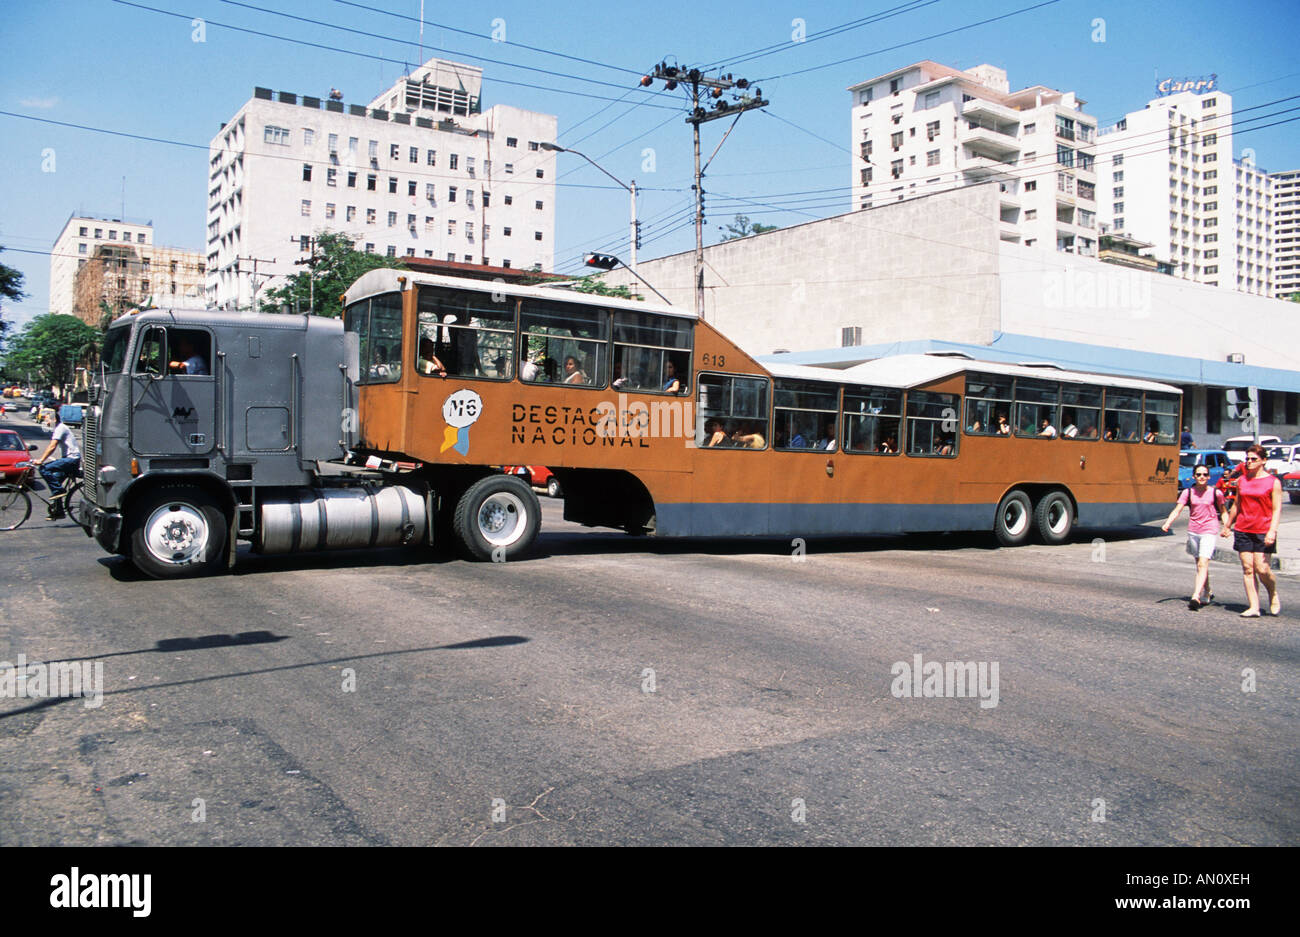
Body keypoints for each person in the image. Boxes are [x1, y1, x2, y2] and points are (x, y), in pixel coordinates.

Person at [1222, 444, 1283, 617]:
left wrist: (1272, 531)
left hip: (1263, 529)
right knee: (1248, 569)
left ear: (1263, 461)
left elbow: (1277, 509)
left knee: (1262, 569)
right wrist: (1227, 525)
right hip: (1243, 528)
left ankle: (1273, 593)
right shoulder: (1242, 480)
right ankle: (1254, 606)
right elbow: (1237, 505)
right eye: (1247, 459)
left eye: (1253, 459)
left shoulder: (1273, 482)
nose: (1249, 462)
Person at [1162, 467, 1228, 610]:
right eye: (1199, 474)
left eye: (1205, 474)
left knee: (1203, 563)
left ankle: (1196, 596)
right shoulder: (1188, 492)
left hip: (1209, 530)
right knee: (1200, 564)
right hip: (1194, 531)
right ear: (1194, 477)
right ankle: (1207, 590)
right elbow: (1177, 509)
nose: (1202, 477)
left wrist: (1226, 527)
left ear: (1209, 477)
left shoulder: (1215, 493)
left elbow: (1223, 511)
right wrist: (1167, 523)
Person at [33, 409, 82, 519]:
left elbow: (52, 446)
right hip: (70, 459)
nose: (46, 423)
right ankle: (59, 511)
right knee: (56, 480)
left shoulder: (60, 428)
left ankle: (58, 490)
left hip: (71, 459)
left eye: (47, 420)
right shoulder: (59, 428)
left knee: (43, 469)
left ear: (54, 419)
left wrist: (41, 460)